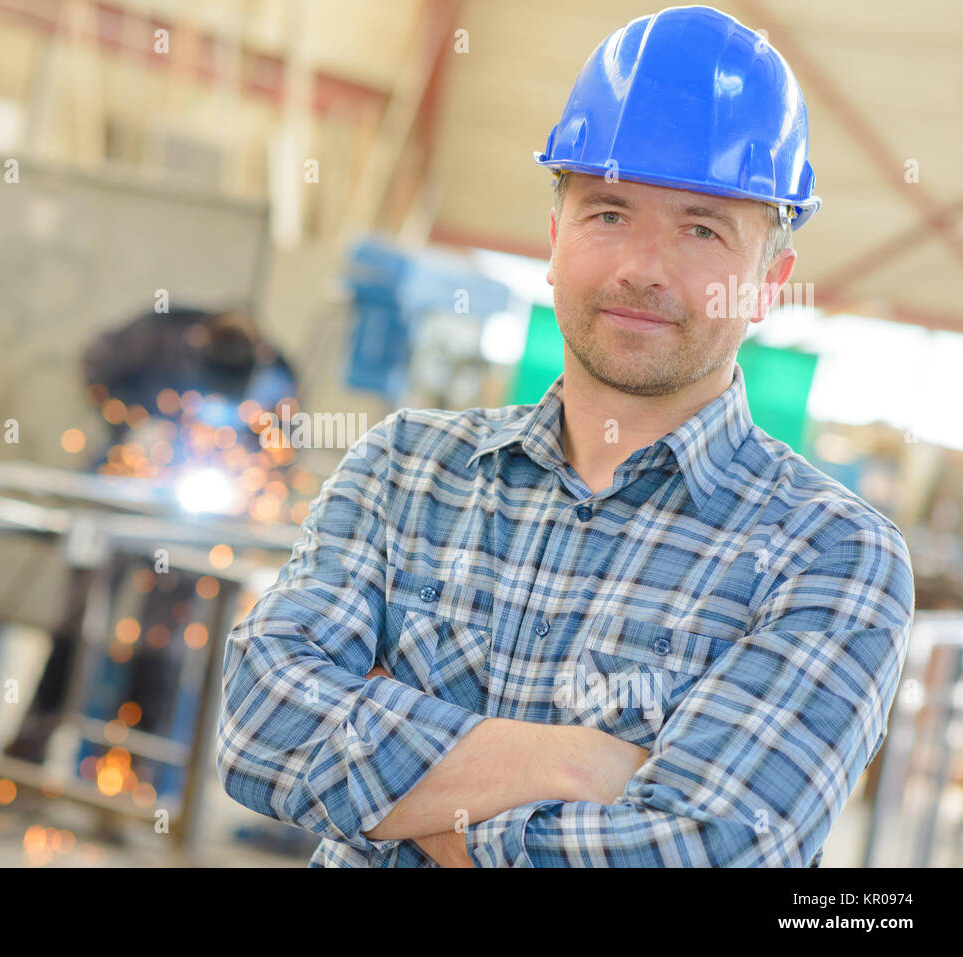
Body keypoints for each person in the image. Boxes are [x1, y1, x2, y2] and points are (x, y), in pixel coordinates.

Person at [215, 5, 915, 867]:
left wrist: (399, 798)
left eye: (701, 228)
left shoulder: (832, 557)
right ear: (554, 237)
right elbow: (261, 729)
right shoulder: (404, 470)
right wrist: (580, 765)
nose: (639, 267)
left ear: (768, 281)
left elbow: (704, 854)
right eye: (608, 212)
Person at [5, 305, 298, 776]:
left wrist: (253, 473)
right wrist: (131, 418)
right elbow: (94, 362)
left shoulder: (277, 377)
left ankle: (134, 774)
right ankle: (28, 749)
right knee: (78, 623)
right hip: (123, 490)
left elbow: (280, 453)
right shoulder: (158, 335)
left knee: (163, 642)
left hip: (193, 516)